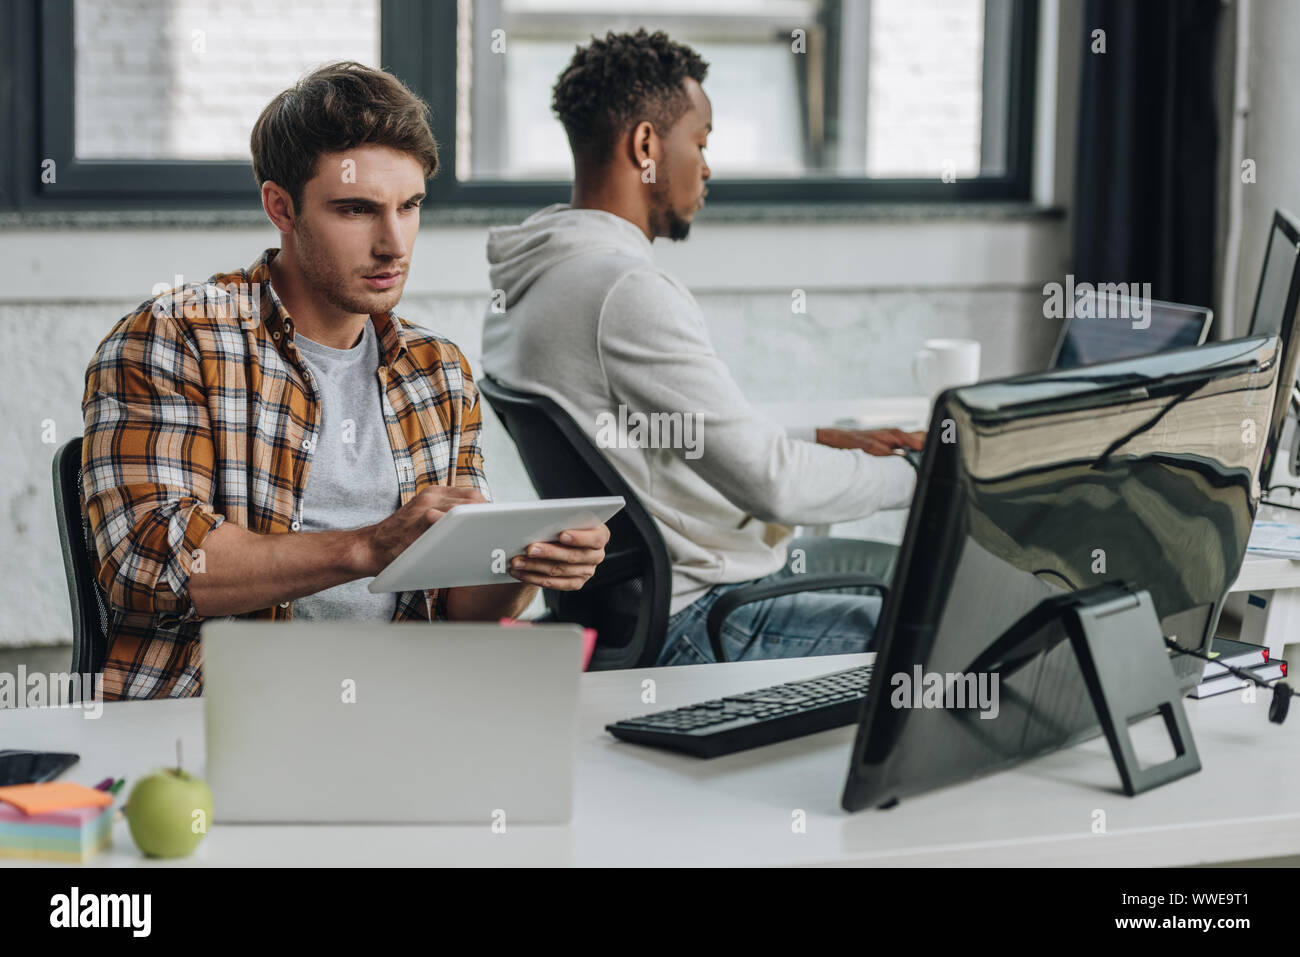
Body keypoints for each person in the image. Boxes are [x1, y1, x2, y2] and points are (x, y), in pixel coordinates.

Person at [82, 61, 609, 700]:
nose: (393, 244)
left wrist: (528, 566)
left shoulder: (435, 368)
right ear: (281, 206)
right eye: (357, 209)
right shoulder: (175, 337)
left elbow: (458, 605)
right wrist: (365, 547)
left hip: (400, 710)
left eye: (409, 206)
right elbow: (146, 561)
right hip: (218, 717)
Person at [481, 30, 923, 666]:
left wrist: (821, 434)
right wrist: (921, 475)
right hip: (696, 620)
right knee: (945, 623)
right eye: (702, 140)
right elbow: (774, 486)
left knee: (896, 572)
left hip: (631, 612)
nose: (708, 166)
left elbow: (655, 437)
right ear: (646, 145)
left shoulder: (533, 279)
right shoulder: (624, 289)